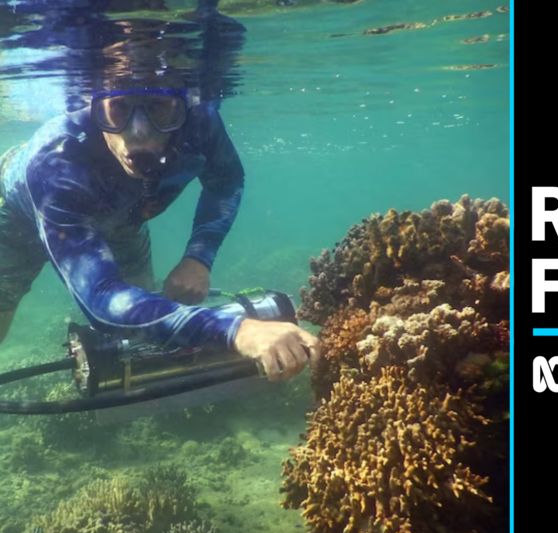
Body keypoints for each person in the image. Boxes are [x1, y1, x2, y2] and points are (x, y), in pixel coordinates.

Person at [0, 73, 319, 382]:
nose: (138, 132)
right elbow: (103, 299)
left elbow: (226, 180)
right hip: (15, 218)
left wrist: (198, 258)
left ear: (183, 107)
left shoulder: (200, 122)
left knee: (140, 317)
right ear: (94, 106)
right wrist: (237, 331)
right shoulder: (56, 162)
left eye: (158, 107)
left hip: (122, 223)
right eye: (119, 108)